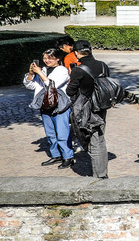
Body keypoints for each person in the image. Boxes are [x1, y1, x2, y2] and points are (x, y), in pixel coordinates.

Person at [65, 40, 111, 179]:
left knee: (95, 141)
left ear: (77, 53)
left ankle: (100, 176)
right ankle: (101, 172)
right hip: (101, 105)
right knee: (99, 136)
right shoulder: (103, 65)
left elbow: (70, 91)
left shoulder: (78, 70)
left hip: (87, 109)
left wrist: (72, 78)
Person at [24, 48, 74, 169]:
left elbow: (53, 85)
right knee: (50, 133)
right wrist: (31, 73)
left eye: (50, 58)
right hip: (45, 104)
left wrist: (40, 73)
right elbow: (30, 85)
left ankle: (68, 156)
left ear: (57, 59)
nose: (47, 60)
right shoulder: (44, 69)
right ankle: (56, 154)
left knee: (62, 132)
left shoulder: (62, 70)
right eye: (45, 58)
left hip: (59, 105)